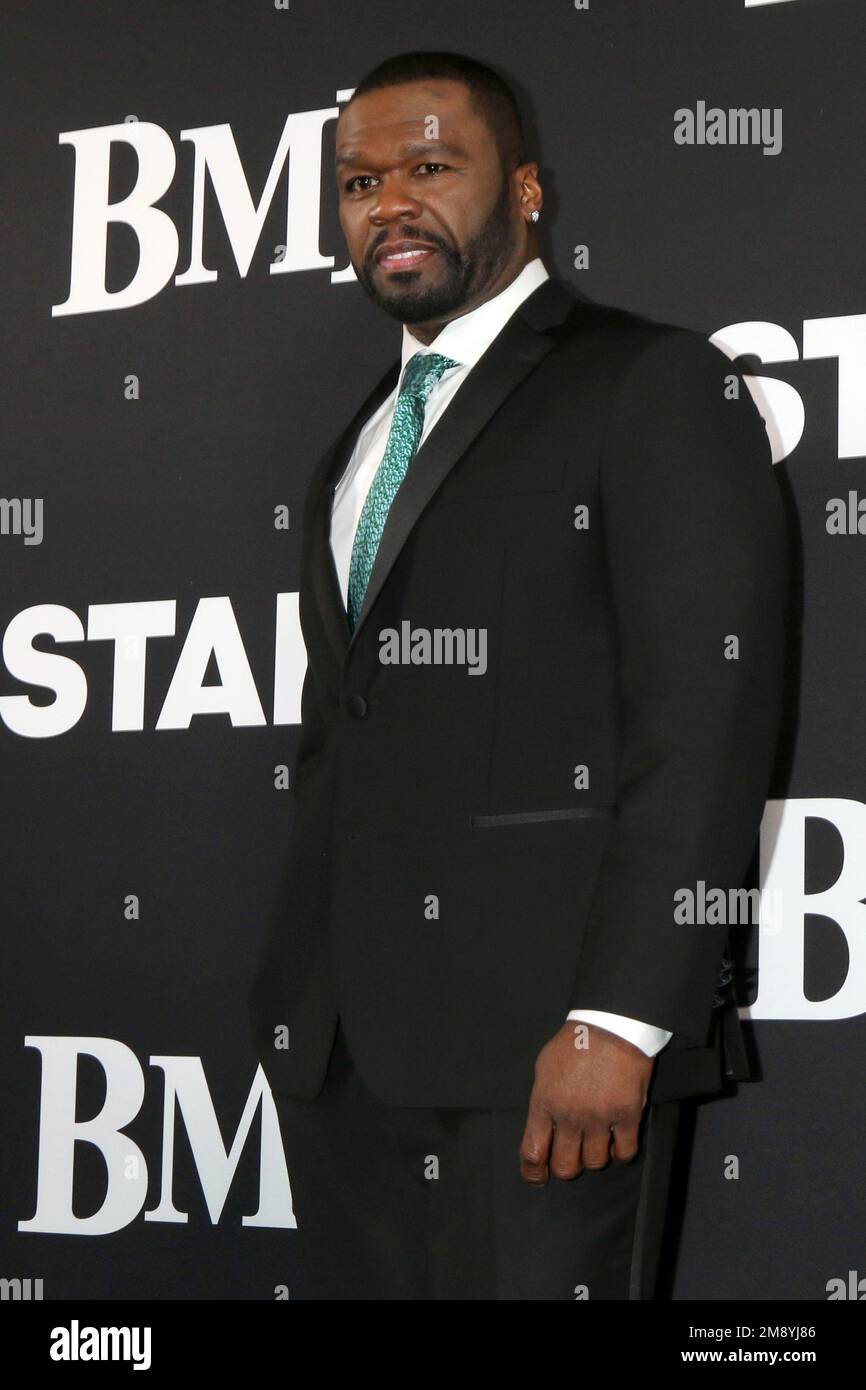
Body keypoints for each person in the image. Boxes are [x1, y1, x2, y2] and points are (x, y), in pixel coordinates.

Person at [248, 49, 789, 1300]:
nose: (389, 202)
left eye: (430, 166)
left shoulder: (649, 382)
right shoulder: (357, 444)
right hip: (343, 1054)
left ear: (526, 189)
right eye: (358, 180)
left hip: (550, 1058)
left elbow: (705, 721)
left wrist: (620, 1018)